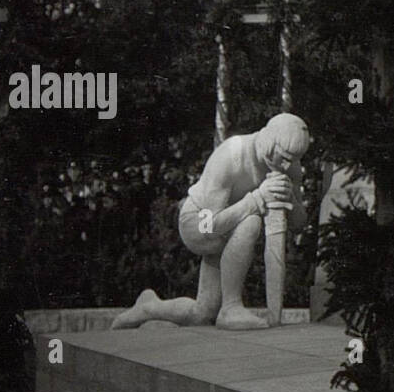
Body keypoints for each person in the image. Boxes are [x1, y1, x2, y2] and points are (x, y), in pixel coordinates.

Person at [112, 113, 310, 330]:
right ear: (267, 141)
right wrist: (258, 198)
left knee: (202, 314)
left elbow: (299, 224)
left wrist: (290, 196)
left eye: (293, 158)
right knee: (252, 220)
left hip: (229, 232)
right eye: (284, 156)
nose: (288, 164)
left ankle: (148, 307)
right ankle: (231, 307)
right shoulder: (232, 154)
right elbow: (208, 226)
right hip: (196, 223)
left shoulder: (290, 165)